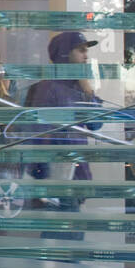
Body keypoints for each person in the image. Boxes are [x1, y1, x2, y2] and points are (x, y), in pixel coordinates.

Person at [26, 31, 102, 240]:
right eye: (81, 50)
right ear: (64, 54)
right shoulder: (49, 87)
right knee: (66, 241)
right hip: (58, 178)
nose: (86, 56)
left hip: (75, 176)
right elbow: (38, 134)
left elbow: (96, 123)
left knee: (67, 238)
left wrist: (88, 90)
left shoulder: (78, 86)